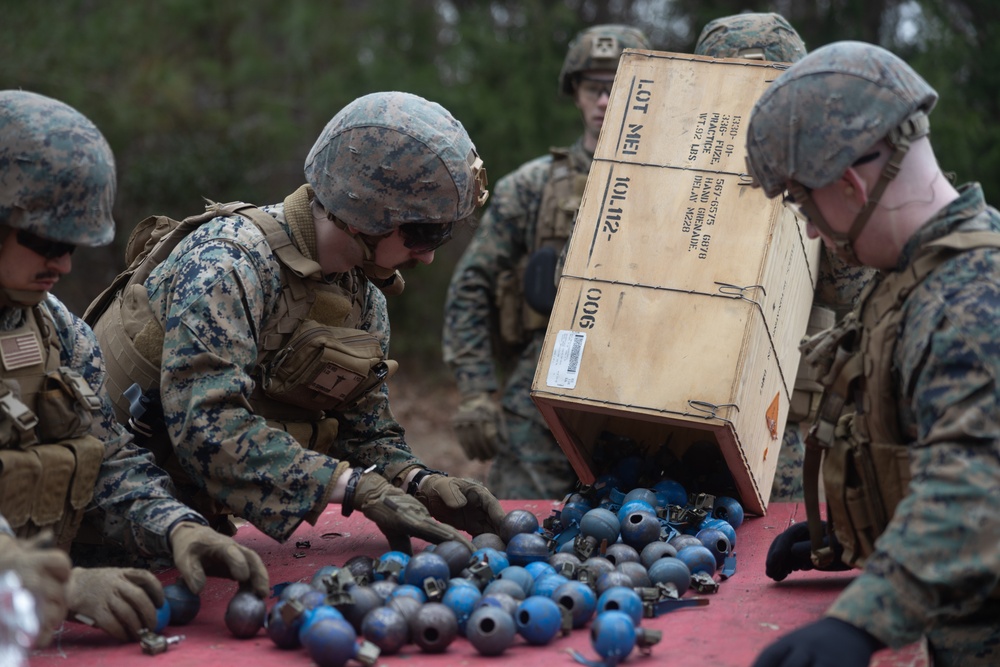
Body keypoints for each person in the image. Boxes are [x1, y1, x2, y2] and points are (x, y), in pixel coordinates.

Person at [85, 91, 505, 554]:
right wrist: (350, 488)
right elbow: (207, 429)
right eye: (424, 232)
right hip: (100, 524)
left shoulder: (359, 296)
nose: (427, 255)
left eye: (442, 236)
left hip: (190, 533)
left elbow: (362, 429)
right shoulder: (228, 265)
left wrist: (416, 481)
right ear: (364, 213)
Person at [744, 41, 1000, 666]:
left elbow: (977, 485)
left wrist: (861, 623)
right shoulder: (915, 279)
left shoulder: (975, 298)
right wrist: (855, 535)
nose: (807, 226)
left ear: (851, 184)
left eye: (803, 201)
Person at [0, 90, 269, 647]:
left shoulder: (53, 330)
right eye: (47, 240)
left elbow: (108, 460)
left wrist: (178, 528)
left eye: (74, 244)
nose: (64, 264)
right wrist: (53, 584)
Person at [442, 24, 651, 499]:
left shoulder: (687, 190)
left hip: (647, 397)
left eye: (621, 86)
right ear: (575, 94)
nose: (604, 101)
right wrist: (476, 391)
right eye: (593, 87)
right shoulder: (531, 186)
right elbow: (473, 284)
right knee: (522, 533)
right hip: (541, 403)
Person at [693, 13, 876, 502]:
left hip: (783, 437)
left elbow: (859, 302)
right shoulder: (662, 172)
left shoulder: (824, 180)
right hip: (672, 424)